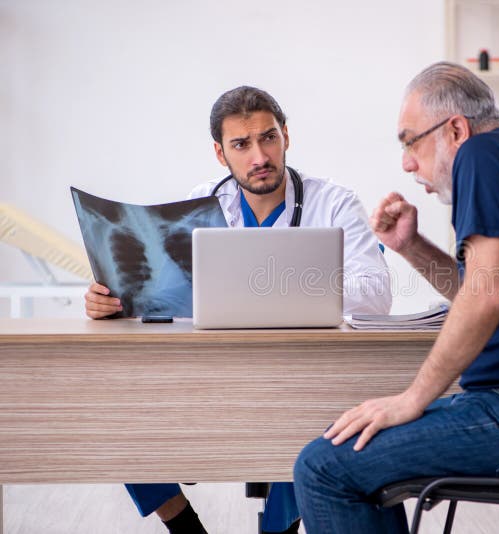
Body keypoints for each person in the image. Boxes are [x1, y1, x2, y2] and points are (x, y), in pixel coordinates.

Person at [293, 62, 499, 533]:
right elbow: (482, 291)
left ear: (456, 129)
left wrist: (412, 399)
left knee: (324, 467)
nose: (406, 162)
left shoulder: (482, 156)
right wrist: (410, 246)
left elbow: (487, 296)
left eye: (409, 141)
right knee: (347, 448)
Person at [84, 86, 392, 533]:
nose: (259, 155)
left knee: (312, 420)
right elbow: (165, 297)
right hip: (217, 372)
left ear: (286, 135)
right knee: (122, 409)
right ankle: (184, 526)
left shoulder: (334, 202)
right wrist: (110, 300)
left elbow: (376, 293)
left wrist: (277, 285)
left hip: (301, 373)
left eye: (268, 137)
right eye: (241, 144)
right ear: (220, 153)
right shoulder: (200, 204)